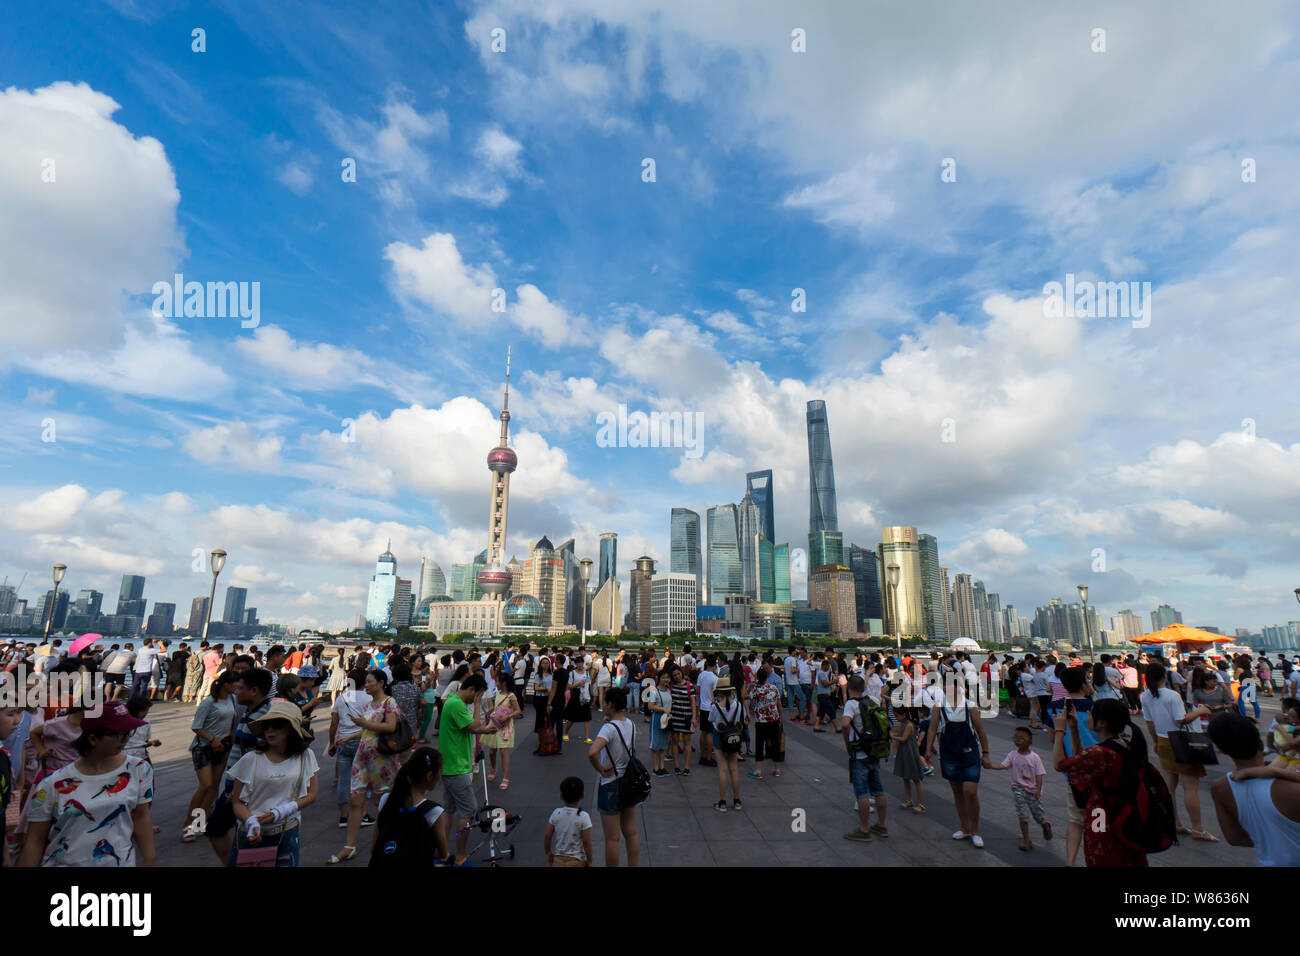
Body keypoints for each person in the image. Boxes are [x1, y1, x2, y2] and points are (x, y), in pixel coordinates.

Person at [19, 701, 155, 867]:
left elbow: (142, 817)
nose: (126, 739)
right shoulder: (52, 785)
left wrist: (149, 860)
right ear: (93, 739)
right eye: (120, 734)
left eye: (129, 732)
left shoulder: (139, 770)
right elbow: (34, 841)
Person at [1053, 698, 1150, 867]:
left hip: (1102, 819)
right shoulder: (1122, 745)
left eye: (1091, 713)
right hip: (1125, 819)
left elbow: (1059, 765)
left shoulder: (1100, 752)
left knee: (1102, 857)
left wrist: (1059, 731)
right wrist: (1074, 729)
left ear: (1102, 723)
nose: (1088, 716)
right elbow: (1083, 759)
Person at [228, 700, 318, 867]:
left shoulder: (306, 755)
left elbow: (312, 794)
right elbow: (237, 801)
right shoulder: (250, 759)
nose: (270, 730)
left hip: (286, 831)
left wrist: (283, 811)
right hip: (251, 834)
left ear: (291, 729)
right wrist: (251, 822)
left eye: (277, 725)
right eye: (267, 726)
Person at [1207, 712, 1300, 866]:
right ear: (1261, 745)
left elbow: (1234, 838)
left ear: (1223, 751)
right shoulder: (1291, 788)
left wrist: (1269, 840)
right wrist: (1276, 772)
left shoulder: (1220, 788)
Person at [328, 669, 401, 864]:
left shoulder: (389, 703)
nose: (366, 685)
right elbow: (366, 731)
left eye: (370, 682)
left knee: (383, 803)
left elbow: (391, 727)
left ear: (381, 683)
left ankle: (385, 843)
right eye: (366, 682)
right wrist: (349, 736)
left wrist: (362, 723)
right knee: (355, 799)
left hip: (382, 760)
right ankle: (349, 846)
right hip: (362, 756)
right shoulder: (370, 704)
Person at [1141, 662, 1215, 842]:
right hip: (1182, 742)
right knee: (1190, 788)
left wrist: (1156, 742)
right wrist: (1200, 711)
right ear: (1164, 677)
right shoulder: (1172, 695)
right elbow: (1181, 720)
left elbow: (1149, 723)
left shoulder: (1145, 696)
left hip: (1164, 740)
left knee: (1169, 788)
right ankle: (1198, 829)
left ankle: (1176, 824)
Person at [924, 671, 992, 848]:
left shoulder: (970, 706)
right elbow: (932, 729)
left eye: (952, 684)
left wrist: (985, 753)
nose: (947, 687)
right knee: (957, 792)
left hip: (969, 753)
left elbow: (981, 731)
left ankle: (975, 830)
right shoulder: (939, 706)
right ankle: (965, 828)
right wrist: (928, 749)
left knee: (970, 791)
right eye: (945, 684)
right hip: (949, 753)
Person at [439, 673, 495, 867]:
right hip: (457, 766)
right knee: (469, 811)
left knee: (449, 810)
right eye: (477, 695)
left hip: (450, 764)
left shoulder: (453, 702)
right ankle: (461, 857)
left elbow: (470, 727)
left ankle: (443, 853)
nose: (477, 699)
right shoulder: (456, 705)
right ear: (472, 690)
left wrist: (482, 729)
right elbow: (474, 726)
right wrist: (479, 706)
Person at [369, 747, 448, 867]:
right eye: (440, 772)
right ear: (430, 776)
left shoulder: (386, 800)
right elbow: (442, 854)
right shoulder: (434, 812)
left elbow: (375, 847)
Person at [588, 687, 640, 867]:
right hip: (629, 782)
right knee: (631, 833)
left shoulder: (608, 729)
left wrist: (600, 769)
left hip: (611, 784)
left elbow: (592, 752)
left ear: (610, 704)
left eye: (605, 702)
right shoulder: (631, 724)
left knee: (612, 839)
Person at [185, 671, 237, 841]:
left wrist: (229, 738)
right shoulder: (209, 702)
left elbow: (231, 722)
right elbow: (197, 726)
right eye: (234, 683)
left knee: (214, 786)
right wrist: (212, 740)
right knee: (206, 785)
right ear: (225, 684)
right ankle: (189, 823)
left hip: (222, 747)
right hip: (204, 748)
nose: (237, 687)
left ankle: (199, 823)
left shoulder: (232, 699)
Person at [988, 726, 1052, 851]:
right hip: (1018, 789)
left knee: (1038, 815)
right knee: (1022, 815)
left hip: (1032, 791)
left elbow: (1039, 774)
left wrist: (1038, 790)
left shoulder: (1035, 757)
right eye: (1015, 738)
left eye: (1021, 738)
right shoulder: (1012, 755)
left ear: (1030, 742)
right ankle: (1026, 840)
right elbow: (1003, 765)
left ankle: (1045, 825)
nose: (1017, 740)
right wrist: (990, 766)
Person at [841, 674, 888, 842]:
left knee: (862, 793)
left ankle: (863, 829)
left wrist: (847, 744)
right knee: (879, 790)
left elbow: (845, 724)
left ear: (850, 688)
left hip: (859, 753)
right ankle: (881, 825)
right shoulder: (871, 701)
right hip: (874, 750)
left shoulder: (851, 705)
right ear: (863, 688)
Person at [709, 677, 744, 812]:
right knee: (734, 768)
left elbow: (711, 720)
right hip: (734, 736)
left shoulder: (715, 706)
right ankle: (737, 801)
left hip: (719, 735)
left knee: (722, 768)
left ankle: (722, 802)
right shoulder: (738, 705)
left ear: (719, 692)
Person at [482, 672, 521, 791]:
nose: (496, 683)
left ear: (503, 683)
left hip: (505, 726)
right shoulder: (497, 693)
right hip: (494, 724)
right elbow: (496, 707)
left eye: (498, 681)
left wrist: (508, 716)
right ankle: (493, 768)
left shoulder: (511, 696)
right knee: (492, 751)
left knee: (503, 751)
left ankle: (505, 777)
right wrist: (491, 711)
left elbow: (518, 710)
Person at [545, 776, 593, 867]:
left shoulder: (556, 813)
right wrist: (589, 859)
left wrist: (548, 852)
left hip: (558, 861)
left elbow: (547, 835)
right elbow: (586, 841)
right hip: (577, 861)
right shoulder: (583, 816)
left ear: (561, 796)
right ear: (582, 796)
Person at [747, 664, 784, 780]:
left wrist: (749, 687)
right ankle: (777, 769)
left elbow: (744, 696)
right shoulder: (773, 688)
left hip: (761, 721)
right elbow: (779, 705)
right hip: (774, 719)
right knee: (775, 744)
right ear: (767, 677)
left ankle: (758, 770)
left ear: (758, 677)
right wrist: (780, 718)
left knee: (759, 744)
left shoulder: (756, 690)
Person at [891, 706, 924, 812]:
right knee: (905, 777)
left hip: (910, 753)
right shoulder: (903, 724)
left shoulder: (909, 725)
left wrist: (893, 737)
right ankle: (909, 800)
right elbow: (901, 734)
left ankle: (921, 804)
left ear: (904, 714)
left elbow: (904, 738)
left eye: (897, 715)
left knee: (915, 779)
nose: (896, 718)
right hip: (905, 752)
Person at [667, 666, 697, 775]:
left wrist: (694, 717)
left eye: (678, 674)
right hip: (674, 717)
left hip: (687, 717)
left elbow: (693, 702)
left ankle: (687, 767)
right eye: (674, 675)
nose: (677, 677)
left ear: (681, 673)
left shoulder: (689, 685)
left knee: (687, 742)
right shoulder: (671, 686)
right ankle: (676, 766)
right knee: (674, 742)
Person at [644, 669, 673, 775]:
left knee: (664, 744)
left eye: (667, 677)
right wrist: (663, 709)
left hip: (666, 719)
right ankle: (656, 768)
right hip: (657, 719)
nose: (666, 680)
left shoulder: (668, 689)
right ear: (658, 678)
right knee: (655, 744)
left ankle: (662, 767)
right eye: (663, 677)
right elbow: (650, 706)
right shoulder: (653, 691)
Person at [564, 657, 593, 744]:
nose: (580, 664)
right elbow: (568, 686)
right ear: (575, 664)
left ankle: (587, 737)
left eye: (581, 663)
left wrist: (588, 697)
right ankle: (566, 733)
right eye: (578, 663)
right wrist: (577, 684)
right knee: (572, 717)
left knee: (587, 717)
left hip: (584, 696)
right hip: (575, 695)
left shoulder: (587, 673)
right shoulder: (572, 673)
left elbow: (588, 685)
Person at [696, 656, 718, 766]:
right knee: (710, 733)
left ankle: (702, 756)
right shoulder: (715, 678)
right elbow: (715, 695)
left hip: (702, 706)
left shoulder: (701, 675)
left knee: (703, 732)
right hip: (711, 708)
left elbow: (698, 690)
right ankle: (709, 758)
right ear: (715, 664)